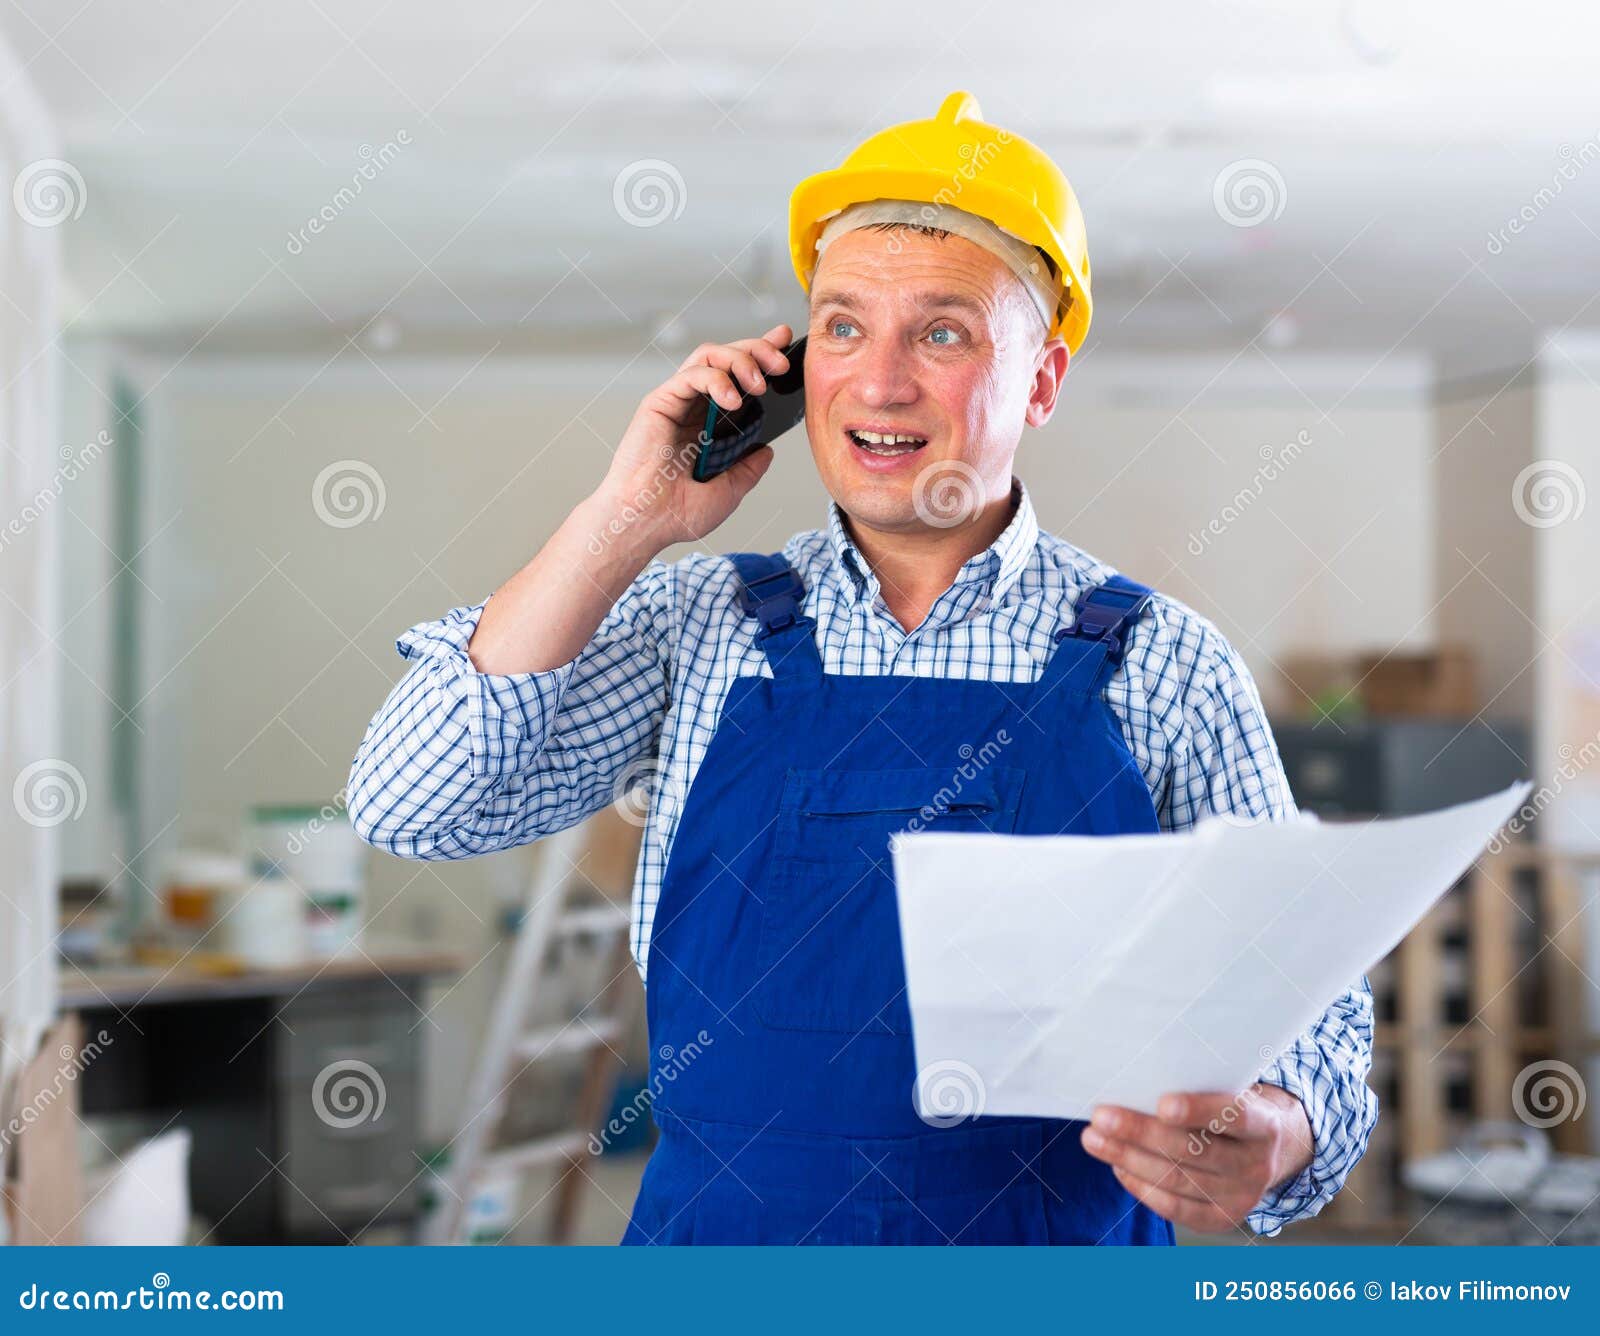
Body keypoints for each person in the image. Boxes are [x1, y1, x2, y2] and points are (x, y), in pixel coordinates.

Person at [348, 91, 1377, 1245]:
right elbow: (411, 804)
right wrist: (624, 519)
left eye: (942, 332)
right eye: (840, 326)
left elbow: (1308, 999)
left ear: (1042, 379)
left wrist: (1277, 1126)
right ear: (795, 365)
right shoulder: (699, 623)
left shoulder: (1162, 664)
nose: (878, 381)